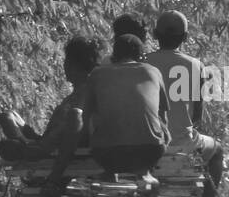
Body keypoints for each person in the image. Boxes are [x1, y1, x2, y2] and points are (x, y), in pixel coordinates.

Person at [144, 10, 225, 197]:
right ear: (185, 38)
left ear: (154, 34)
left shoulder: (142, 61)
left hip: (147, 141)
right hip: (182, 143)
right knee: (217, 151)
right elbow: (196, 116)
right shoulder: (196, 65)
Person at [68, 33, 170, 182]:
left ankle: (109, 172)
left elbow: (87, 116)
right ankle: (144, 173)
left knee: (96, 116)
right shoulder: (153, 71)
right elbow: (164, 117)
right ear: (142, 57)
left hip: (107, 155)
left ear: (113, 57)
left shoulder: (97, 74)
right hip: (149, 153)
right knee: (161, 124)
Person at [0, 36, 99, 183]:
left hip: (59, 146)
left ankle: (30, 151)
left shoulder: (88, 91)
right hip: (45, 142)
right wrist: (31, 139)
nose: (64, 66)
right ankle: (25, 145)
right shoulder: (74, 94)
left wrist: (45, 145)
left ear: (74, 65)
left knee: (73, 116)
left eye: (67, 62)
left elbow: (75, 125)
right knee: (7, 117)